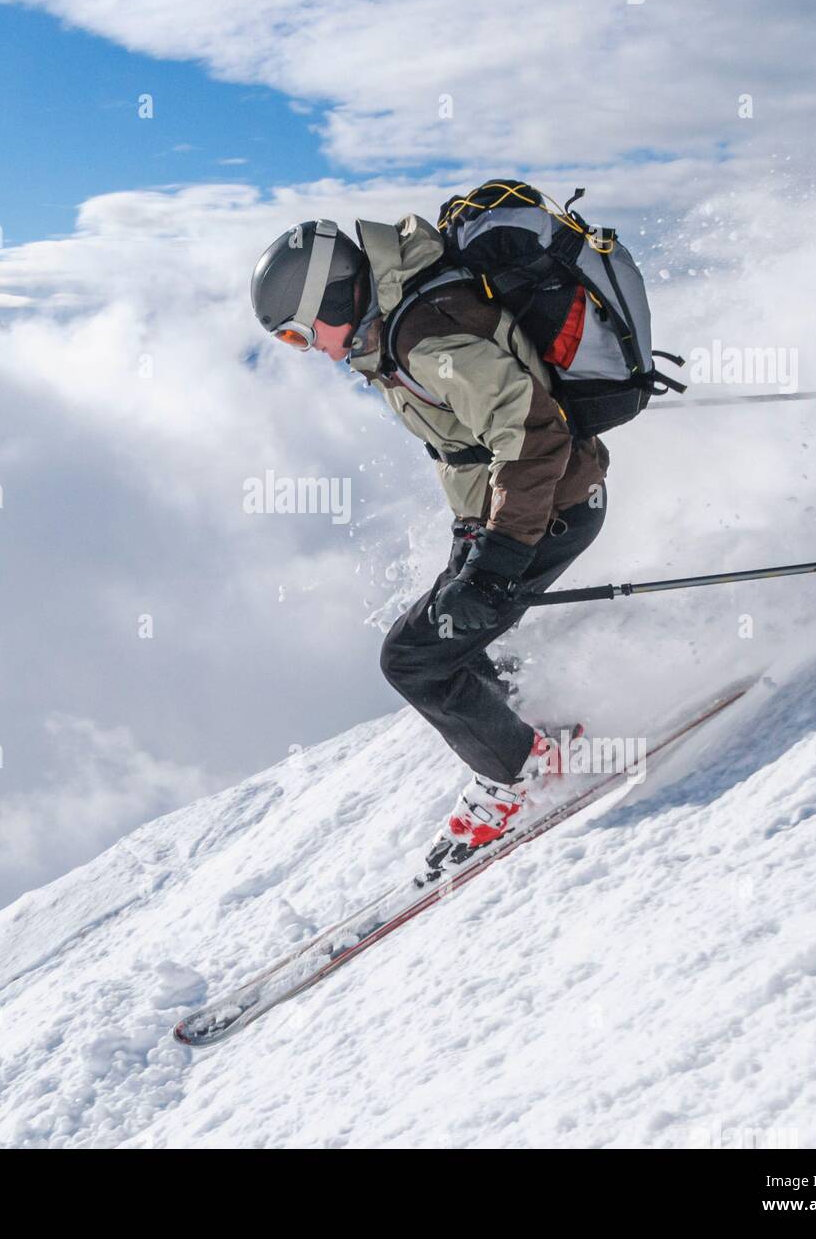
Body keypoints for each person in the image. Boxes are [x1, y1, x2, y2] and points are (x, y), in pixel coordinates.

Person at [250, 213, 608, 879]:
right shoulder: (396, 327)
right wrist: (476, 538)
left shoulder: (423, 334)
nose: (311, 351)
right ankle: (536, 746)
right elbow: (476, 436)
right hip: (513, 513)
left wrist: (495, 563)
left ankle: (524, 774)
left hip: (548, 509)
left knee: (413, 659)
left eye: (303, 334)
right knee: (446, 641)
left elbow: (531, 436)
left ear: (330, 297)